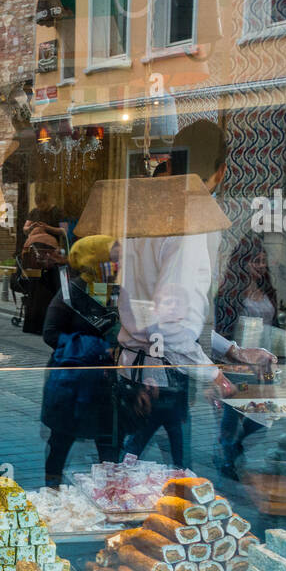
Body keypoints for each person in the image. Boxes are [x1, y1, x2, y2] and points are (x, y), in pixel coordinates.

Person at [116, 120, 235, 467]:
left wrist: (229, 349)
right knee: (176, 477)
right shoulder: (188, 223)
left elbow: (155, 311)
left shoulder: (145, 213)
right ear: (220, 172)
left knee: (130, 472)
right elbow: (171, 327)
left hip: (133, 369)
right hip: (161, 377)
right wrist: (213, 374)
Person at [41, 240, 117, 486]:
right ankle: (52, 490)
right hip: (72, 381)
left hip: (104, 383)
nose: (116, 264)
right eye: (111, 258)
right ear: (94, 260)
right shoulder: (72, 290)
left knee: (108, 441)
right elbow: (50, 333)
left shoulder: (110, 289)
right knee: (61, 440)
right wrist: (98, 349)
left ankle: (112, 495)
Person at [213, 237, 281, 477]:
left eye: (263, 261)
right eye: (255, 261)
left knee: (264, 415)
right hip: (238, 364)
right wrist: (236, 353)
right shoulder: (229, 293)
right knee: (234, 413)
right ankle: (228, 458)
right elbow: (220, 330)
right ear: (242, 263)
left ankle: (235, 445)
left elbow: (275, 324)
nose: (260, 266)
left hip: (265, 364)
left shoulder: (267, 289)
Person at [20, 191, 67, 335]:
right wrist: (31, 227)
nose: (40, 208)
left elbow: (64, 231)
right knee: (36, 288)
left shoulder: (57, 212)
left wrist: (47, 228)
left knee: (49, 287)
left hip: (51, 253)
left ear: (48, 200)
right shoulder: (34, 212)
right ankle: (35, 322)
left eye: (43, 205)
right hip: (35, 256)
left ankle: (47, 321)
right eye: (38, 205)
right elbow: (25, 229)